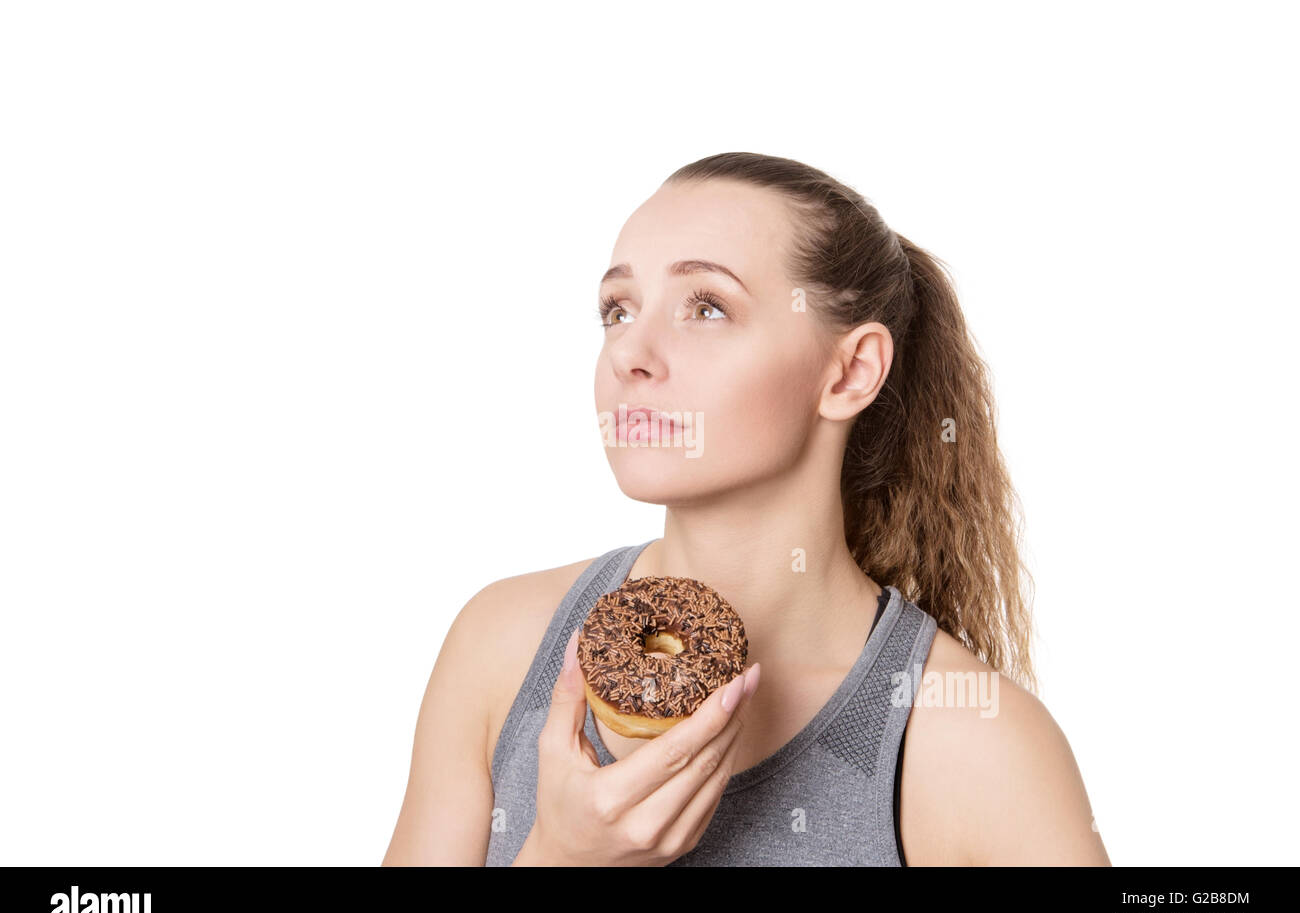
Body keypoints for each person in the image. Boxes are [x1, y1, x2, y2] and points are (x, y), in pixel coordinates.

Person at [382, 151, 1110, 866]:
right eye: (618, 309)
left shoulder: (974, 746)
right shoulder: (502, 648)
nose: (629, 352)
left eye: (706, 306)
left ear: (851, 372)